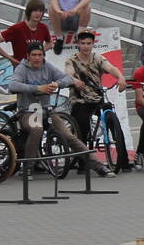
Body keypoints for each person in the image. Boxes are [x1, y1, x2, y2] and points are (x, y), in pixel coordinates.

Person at [8, 41, 110, 178]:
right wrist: (38, 88)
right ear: (28, 56)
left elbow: (67, 78)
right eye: (34, 55)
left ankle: (98, 166)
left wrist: (57, 83)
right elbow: (12, 86)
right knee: (36, 129)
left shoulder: (47, 67)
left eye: (40, 55)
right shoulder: (22, 68)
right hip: (29, 111)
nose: (37, 58)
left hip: (47, 111)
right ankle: (27, 167)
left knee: (69, 136)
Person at [66, 29, 131, 173]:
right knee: (82, 125)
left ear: (92, 44)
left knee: (112, 119)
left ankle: (124, 161)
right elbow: (68, 73)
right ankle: (83, 163)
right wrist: (74, 80)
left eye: (88, 43)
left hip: (96, 98)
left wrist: (120, 77)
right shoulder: (72, 61)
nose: (86, 46)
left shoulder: (97, 58)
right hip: (80, 100)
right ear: (78, 44)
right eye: (83, 43)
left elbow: (110, 68)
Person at [0, 1, 52, 68]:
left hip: (37, 68)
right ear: (29, 12)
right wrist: (10, 58)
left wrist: (40, 52)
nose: (38, 13)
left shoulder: (43, 27)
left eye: (40, 11)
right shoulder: (17, 28)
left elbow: (50, 42)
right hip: (21, 69)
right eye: (35, 11)